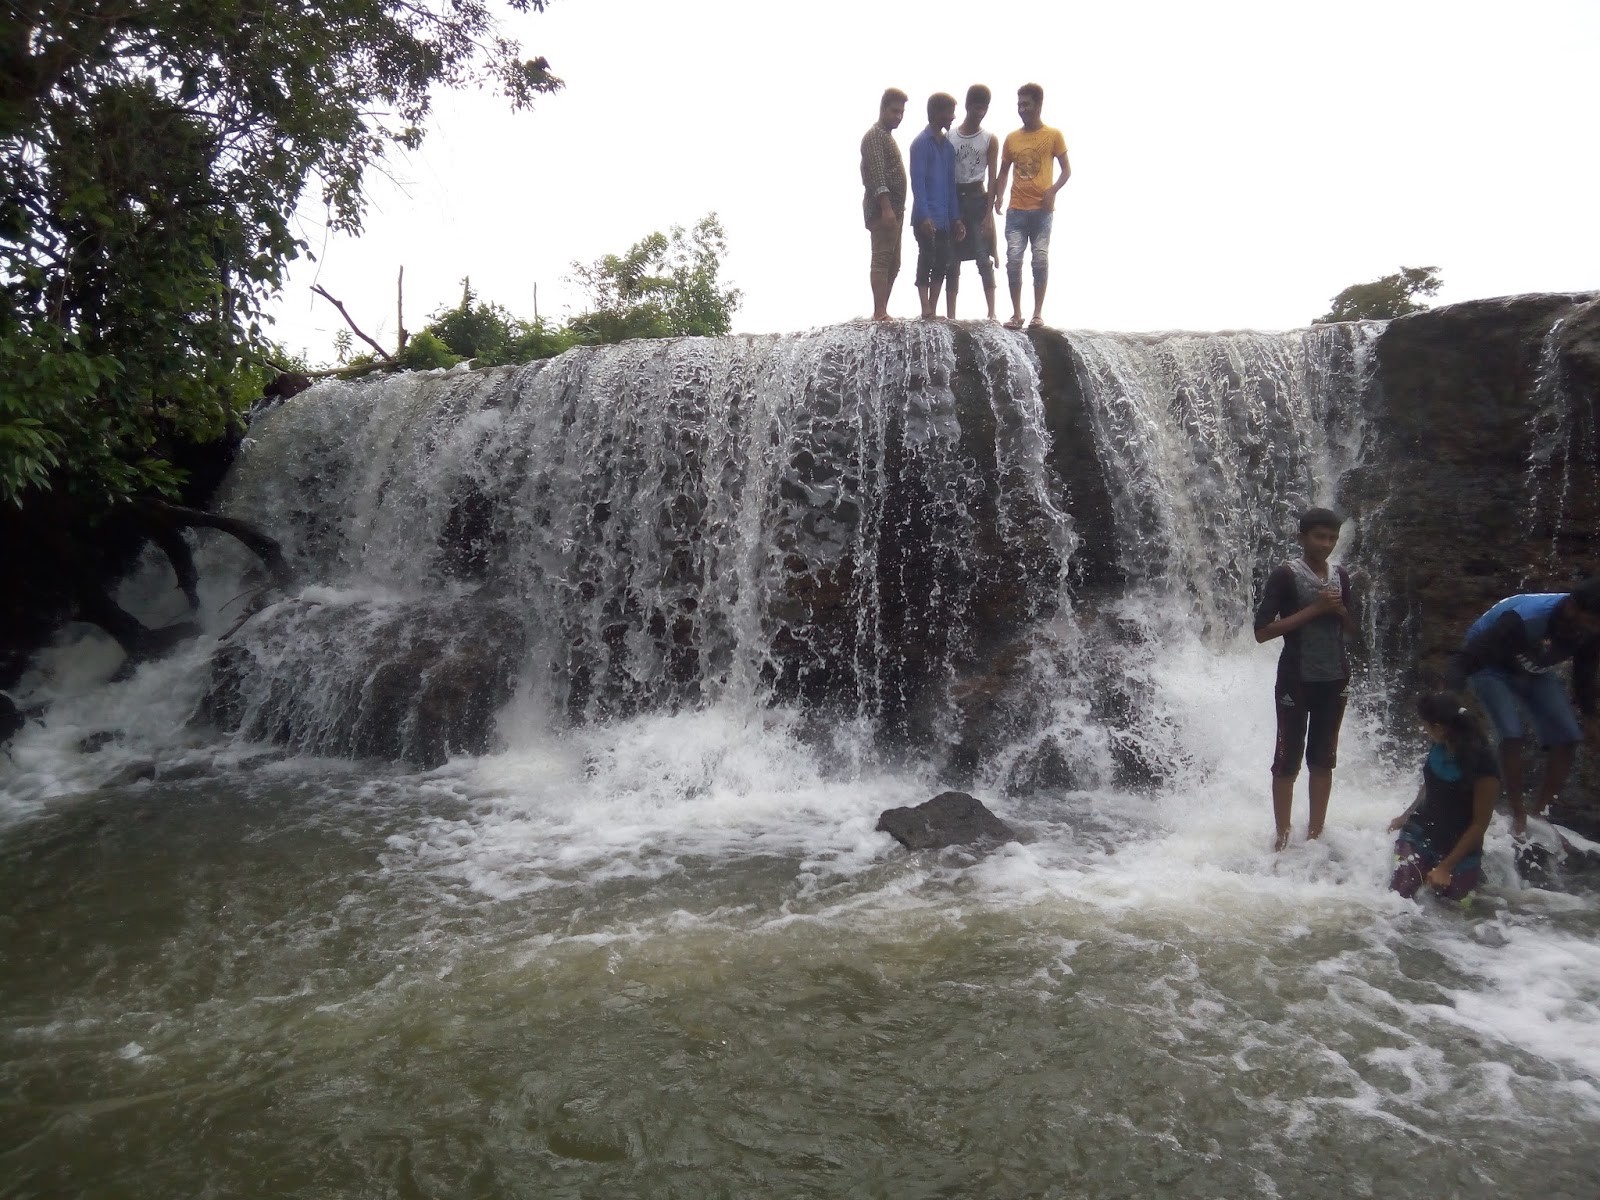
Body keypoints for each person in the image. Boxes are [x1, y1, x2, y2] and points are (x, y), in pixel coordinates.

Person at [1446, 578, 1600, 835]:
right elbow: (1465, 658)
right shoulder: (1524, 619)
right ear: (1572, 608)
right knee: (1511, 733)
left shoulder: (1591, 631)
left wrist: (1590, 716)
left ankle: (1539, 813)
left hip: (1532, 666)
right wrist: (1451, 698)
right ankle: (1517, 814)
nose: (1595, 629)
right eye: (1593, 621)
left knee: (1568, 735)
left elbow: (1584, 671)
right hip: (1489, 665)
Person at [1253, 507, 1359, 851]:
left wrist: (1340, 611)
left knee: (1323, 759)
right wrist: (1316, 609)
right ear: (1302, 538)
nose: (1326, 544)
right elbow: (1262, 632)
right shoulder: (1285, 576)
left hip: (1335, 678)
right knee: (1287, 761)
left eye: (1332, 538)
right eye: (1319, 537)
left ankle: (1315, 835)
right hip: (1295, 679)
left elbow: (1353, 633)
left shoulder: (1341, 576)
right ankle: (1282, 837)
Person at [1387, 693, 1499, 907]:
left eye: (1426, 725)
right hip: (1420, 835)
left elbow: (1479, 824)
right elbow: (1430, 785)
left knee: (1453, 908)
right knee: (1399, 898)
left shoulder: (1484, 764)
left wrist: (1445, 867)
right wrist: (1406, 815)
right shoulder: (1439, 745)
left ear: (1438, 727)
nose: (1424, 729)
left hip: (1459, 848)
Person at [992, 82, 1070, 331]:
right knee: (1014, 259)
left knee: (1040, 258)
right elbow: (1004, 172)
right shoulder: (1012, 139)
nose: (1022, 109)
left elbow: (1067, 170)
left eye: (1026, 104)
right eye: (1019, 105)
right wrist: (998, 196)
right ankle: (1016, 313)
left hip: (1041, 211)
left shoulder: (1053, 135)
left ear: (1038, 105)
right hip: (1016, 209)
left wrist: (1053, 190)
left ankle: (1037, 313)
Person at [908, 92, 965, 320]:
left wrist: (956, 219)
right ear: (936, 113)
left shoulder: (948, 149)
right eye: (950, 112)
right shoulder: (920, 144)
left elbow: (951, 186)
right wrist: (924, 216)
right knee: (926, 257)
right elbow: (918, 183)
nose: (953, 117)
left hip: (944, 217)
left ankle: (933, 306)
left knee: (942, 260)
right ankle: (925, 307)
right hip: (926, 216)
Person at [948, 84, 999, 321]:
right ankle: (951, 314)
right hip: (956, 196)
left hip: (978, 196)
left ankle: (992, 312)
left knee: (983, 255)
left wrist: (989, 214)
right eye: (977, 108)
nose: (980, 113)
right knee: (952, 258)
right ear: (967, 106)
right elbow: (946, 173)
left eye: (984, 109)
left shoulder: (989, 139)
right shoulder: (951, 136)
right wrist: (951, 212)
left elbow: (993, 178)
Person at [861, 88, 909, 322]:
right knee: (882, 258)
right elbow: (877, 175)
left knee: (894, 262)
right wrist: (886, 208)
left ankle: (882, 309)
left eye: (901, 113)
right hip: (883, 210)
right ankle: (879, 311)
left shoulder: (887, 136)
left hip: (895, 210)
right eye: (894, 111)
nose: (898, 117)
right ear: (882, 109)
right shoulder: (874, 136)